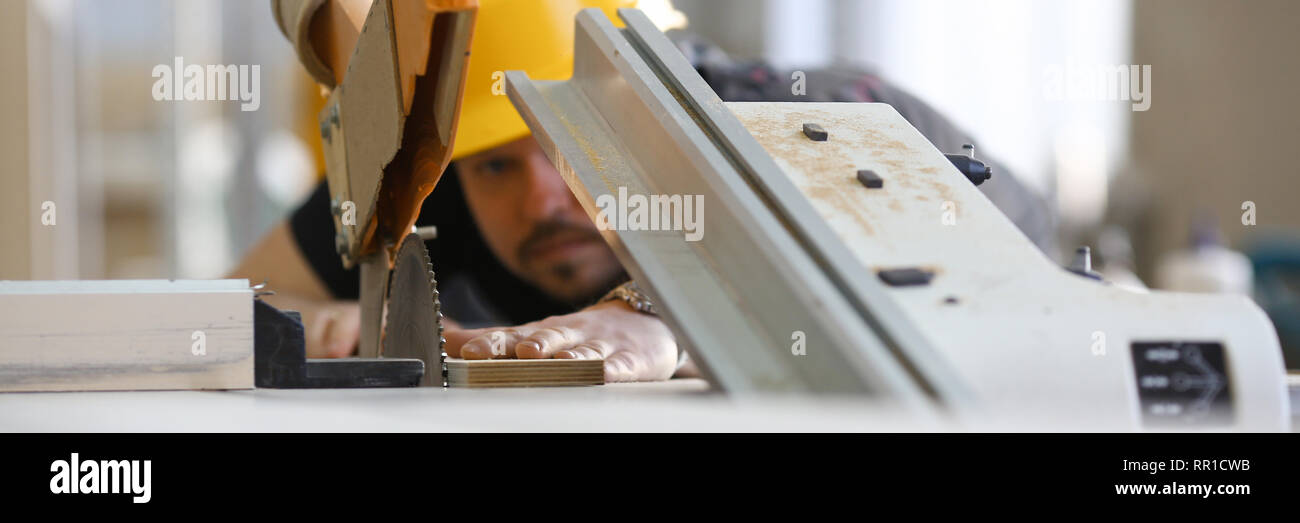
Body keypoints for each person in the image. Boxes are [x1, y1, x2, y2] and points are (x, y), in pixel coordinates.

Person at [231, 0, 1054, 382]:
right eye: (496, 163)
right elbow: (241, 299)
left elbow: (1002, 290)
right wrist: (319, 317)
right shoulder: (432, 176)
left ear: (659, 110)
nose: (545, 196)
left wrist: (665, 315)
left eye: (572, 145)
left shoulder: (814, 116)